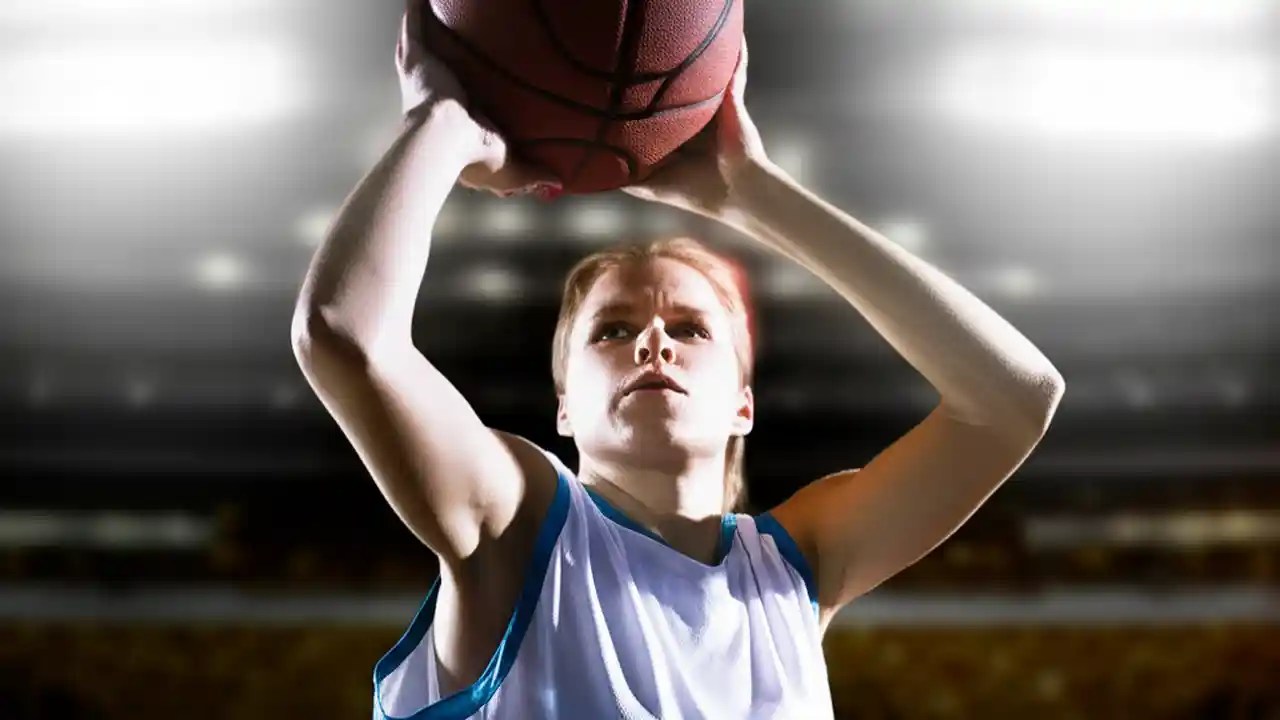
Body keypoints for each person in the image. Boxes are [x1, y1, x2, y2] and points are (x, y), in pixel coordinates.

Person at [291, 4, 1066, 718]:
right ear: (564, 406)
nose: (652, 341)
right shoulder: (519, 525)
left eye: (692, 328)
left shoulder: (798, 566)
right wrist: (442, 125)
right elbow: (346, 334)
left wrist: (754, 194)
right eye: (611, 331)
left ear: (744, 403)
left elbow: (1016, 399)